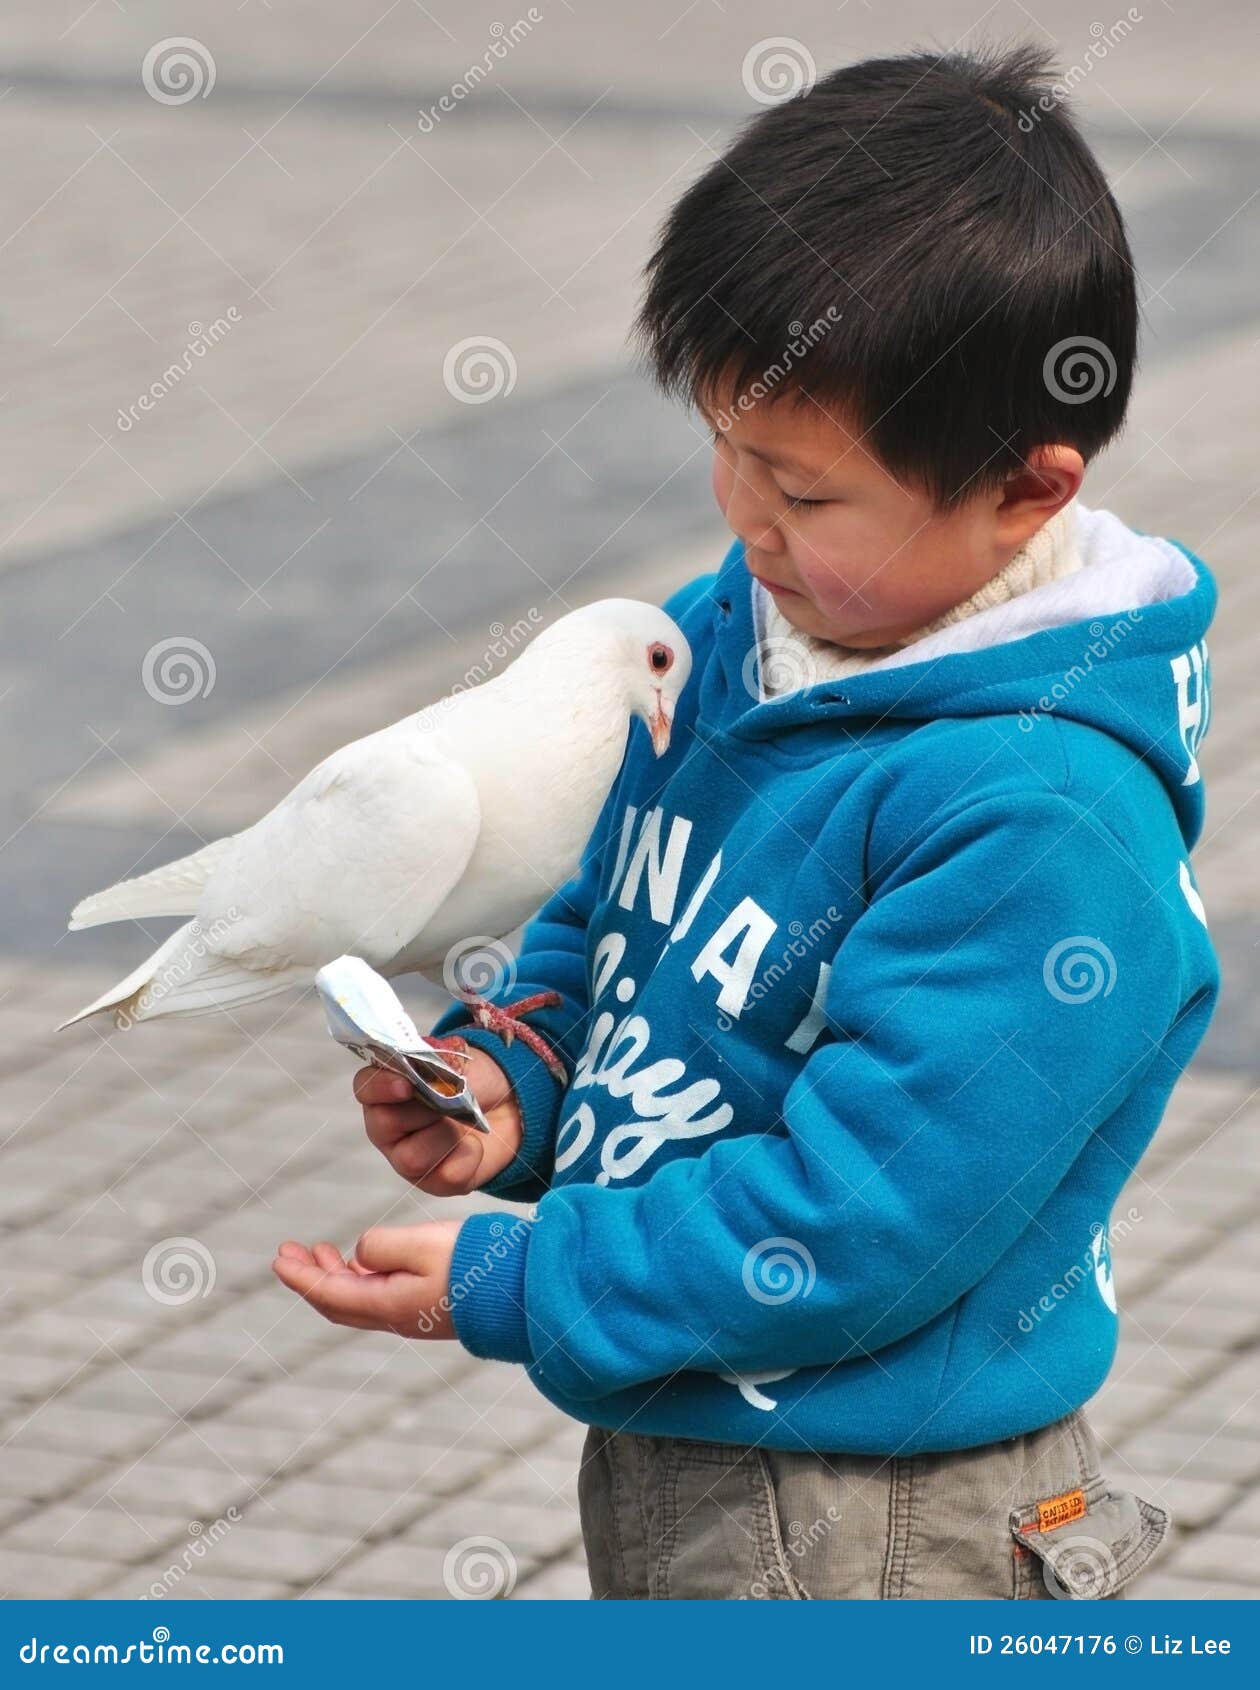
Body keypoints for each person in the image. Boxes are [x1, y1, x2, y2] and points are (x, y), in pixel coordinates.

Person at [273, 43, 1219, 1600]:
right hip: (702, 1424)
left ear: (1030, 488)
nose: (740, 512)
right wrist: (522, 1071)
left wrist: (533, 1272)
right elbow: (625, 894)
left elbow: (863, 1220)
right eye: (724, 442)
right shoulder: (749, 626)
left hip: (874, 1510)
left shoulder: (1040, 820)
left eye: (804, 488)